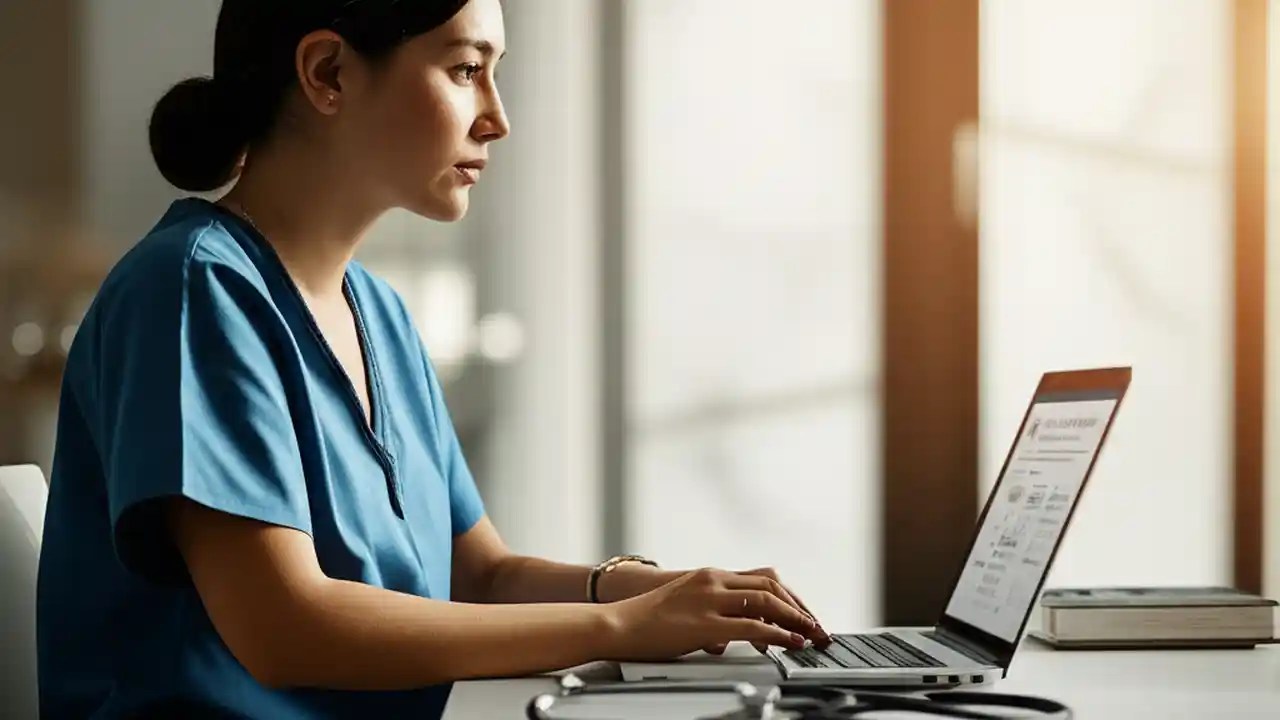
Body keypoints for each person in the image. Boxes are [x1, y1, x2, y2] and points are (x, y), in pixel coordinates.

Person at [35, 1, 831, 717]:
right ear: (329, 73)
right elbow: (283, 628)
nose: (497, 118)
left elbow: (481, 575)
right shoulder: (188, 291)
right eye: (465, 70)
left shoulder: (379, 313)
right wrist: (619, 627)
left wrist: (649, 590)